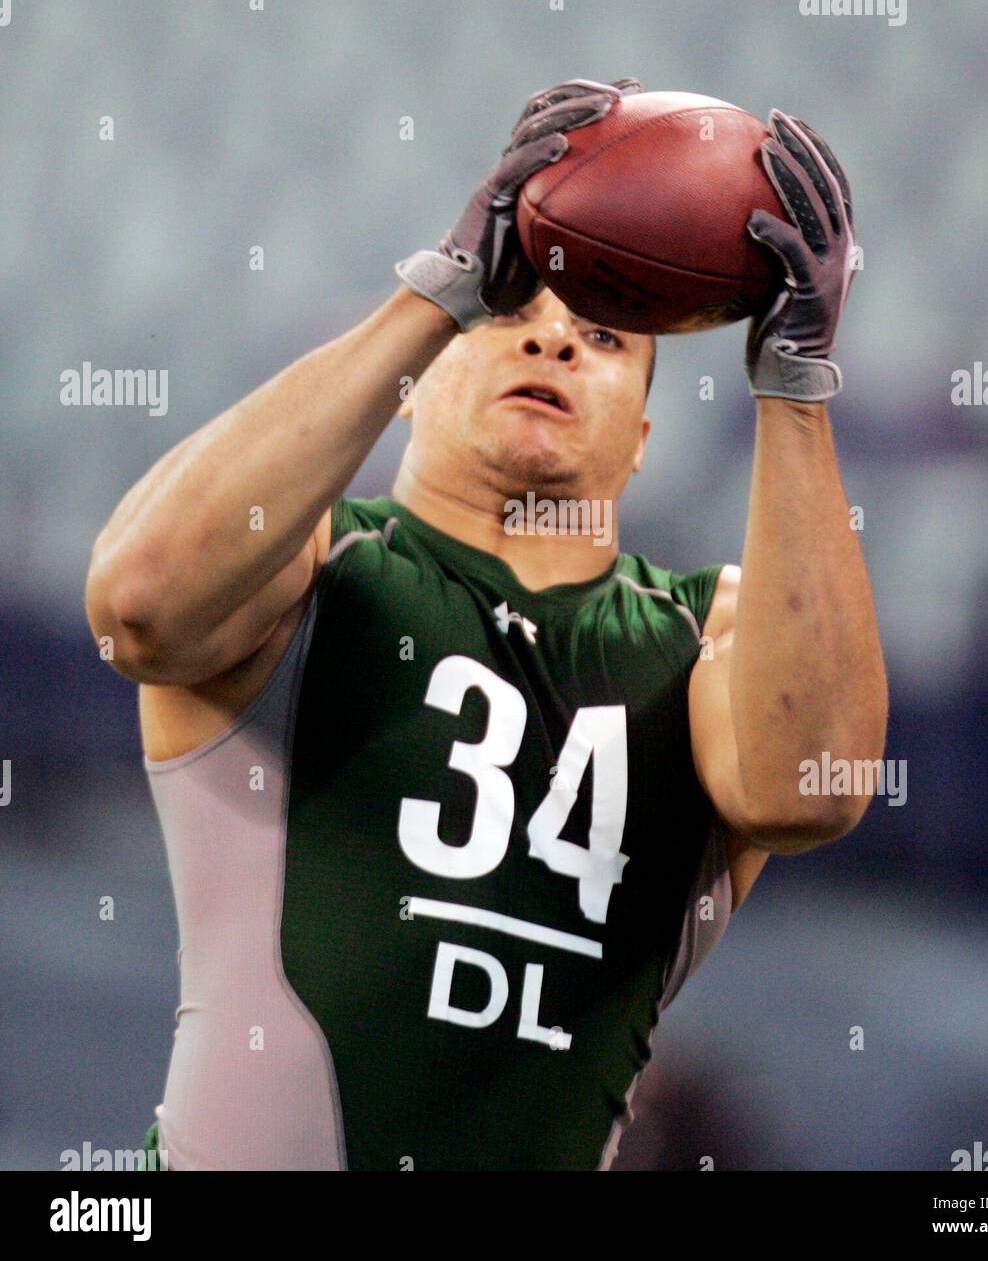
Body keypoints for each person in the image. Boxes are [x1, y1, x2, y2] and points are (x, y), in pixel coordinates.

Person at [85, 76, 887, 1171]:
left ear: (643, 436)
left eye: (603, 338)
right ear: (413, 379)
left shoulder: (708, 638)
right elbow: (140, 607)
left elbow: (815, 786)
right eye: (508, 315)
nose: (552, 344)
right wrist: (442, 288)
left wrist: (795, 386)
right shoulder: (315, 565)